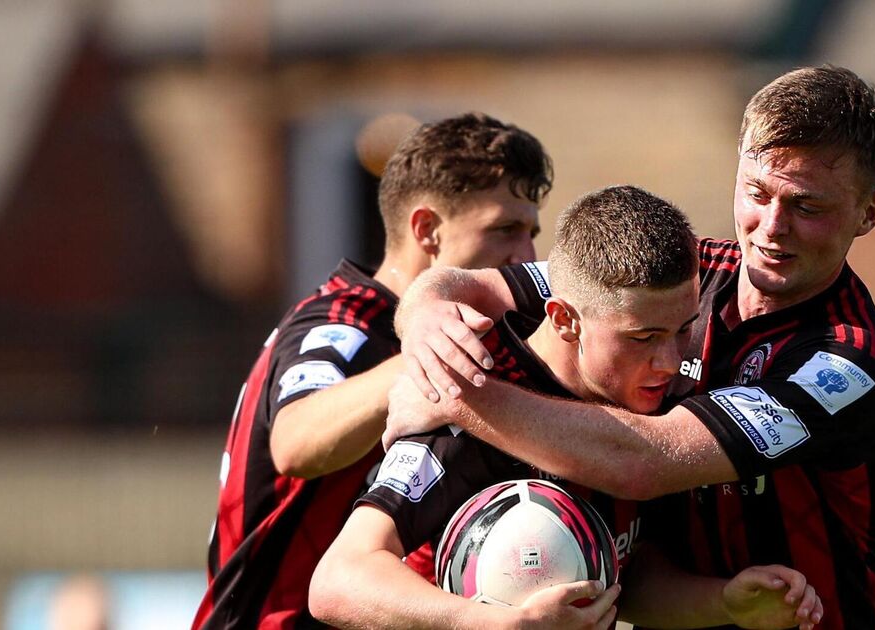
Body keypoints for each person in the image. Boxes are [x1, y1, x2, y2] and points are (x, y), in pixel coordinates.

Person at [388, 65, 875, 630]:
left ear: (869, 212)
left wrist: (458, 395)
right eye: (757, 193)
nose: (771, 226)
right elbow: (462, 284)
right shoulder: (683, 274)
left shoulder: (847, 359)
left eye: (807, 207)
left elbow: (643, 462)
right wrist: (422, 326)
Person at [309, 186, 823, 630]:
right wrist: (487, 622)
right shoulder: (468, 404)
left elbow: (627, 573)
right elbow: (338, 580)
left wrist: (724, 601)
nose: (669, 362)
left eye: (683, 330)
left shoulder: (640, 402)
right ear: (565, 319)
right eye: (643, 337)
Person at [192, 112, 553, 630]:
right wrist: (422, 355)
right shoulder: (342, 322)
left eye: (532, 232)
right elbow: (295, 441)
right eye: (505, 230)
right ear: (426, 229)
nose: (527, 256)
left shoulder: (484, 328)